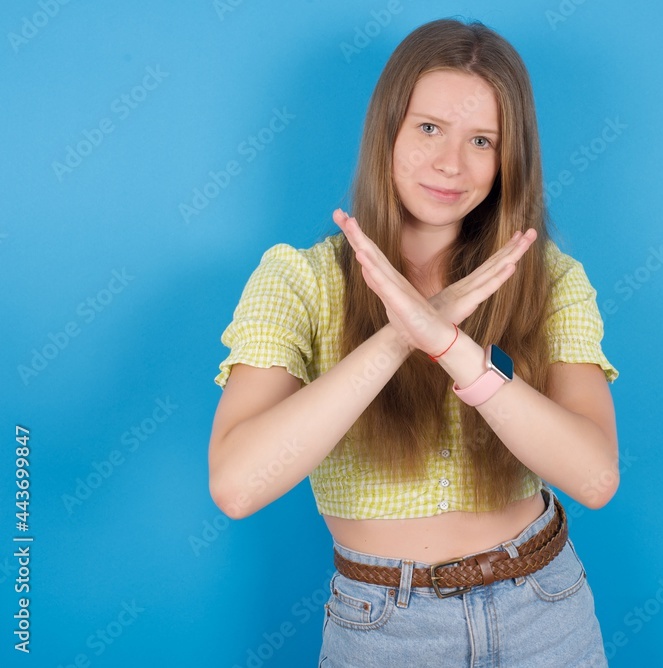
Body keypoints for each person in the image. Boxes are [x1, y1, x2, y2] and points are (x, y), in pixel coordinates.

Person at [208, 17, 619, 666]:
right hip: (384, 629)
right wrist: (402, 336)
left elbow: (594, 478)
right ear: (387, 130)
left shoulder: (551, 280)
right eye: (429, 128)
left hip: (547, 609)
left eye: (482, 140)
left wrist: (453, 347)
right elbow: (237, 486)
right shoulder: (300, 280)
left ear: (508, 159)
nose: (451, 163)